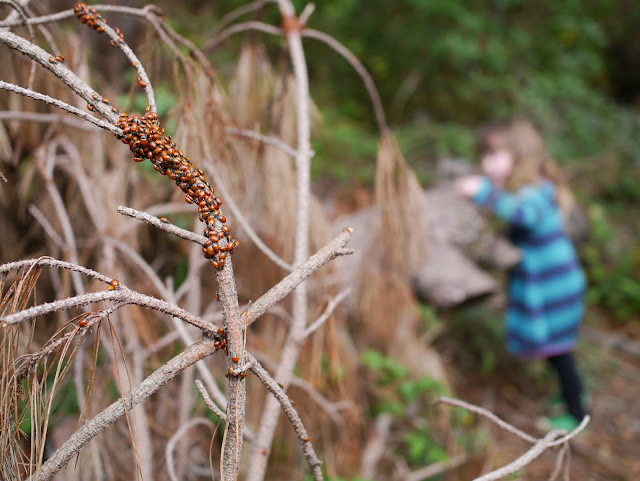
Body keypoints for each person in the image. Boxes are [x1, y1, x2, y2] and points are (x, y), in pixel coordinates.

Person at [456, 119, 588, 430]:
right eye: (483, 155)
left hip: (555, 292)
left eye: (494, 154)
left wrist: (483, 191)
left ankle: (577, 413)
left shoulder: (535, 193)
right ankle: (571, 395)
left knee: (560, 355)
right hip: (547, 288)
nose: (485, 162)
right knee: (558, 354)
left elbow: (522, 214)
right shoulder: (524, 191)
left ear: (521, 155)